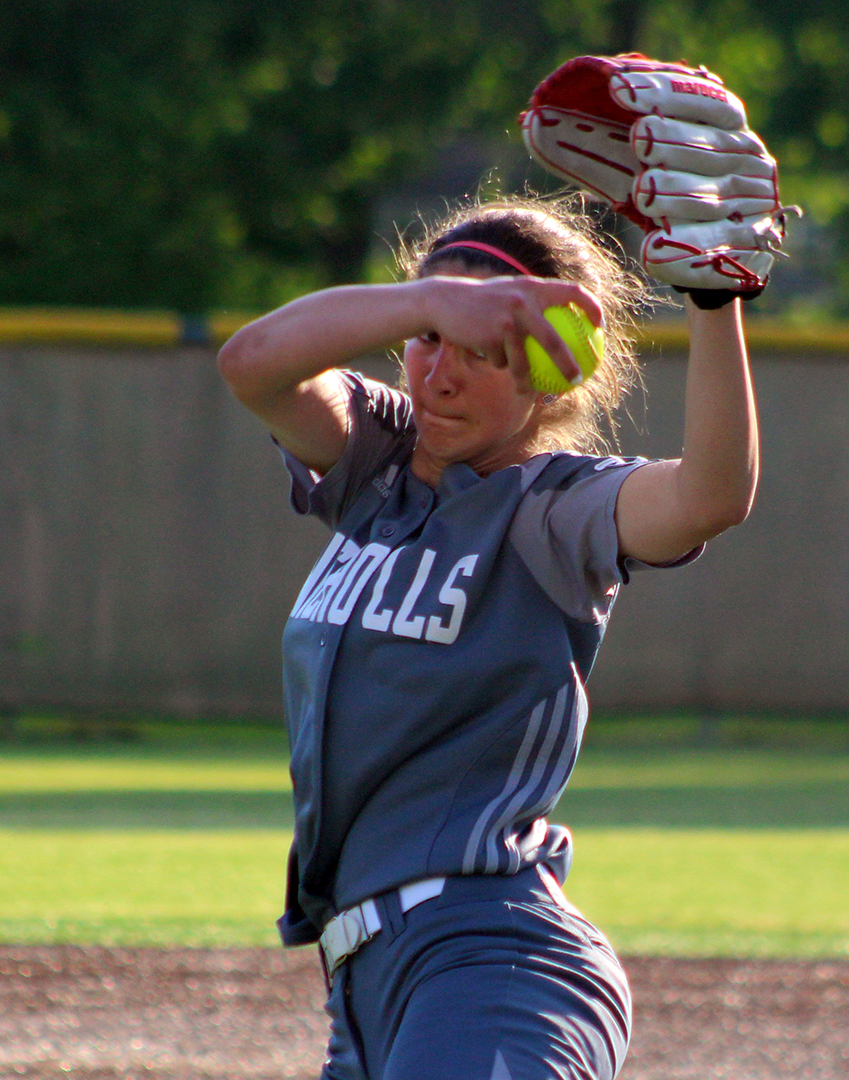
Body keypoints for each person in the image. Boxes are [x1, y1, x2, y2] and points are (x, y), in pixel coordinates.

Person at [215, 195, 759, 1080]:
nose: (441, 374)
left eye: (483, 351)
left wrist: (713, 301)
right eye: (430, 339)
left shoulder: (553, 508)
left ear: (555, 376)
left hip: (491, 962)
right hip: (363, 988)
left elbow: (710, 497)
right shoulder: (375, 467)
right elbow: (252, 365)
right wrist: (433, 303)